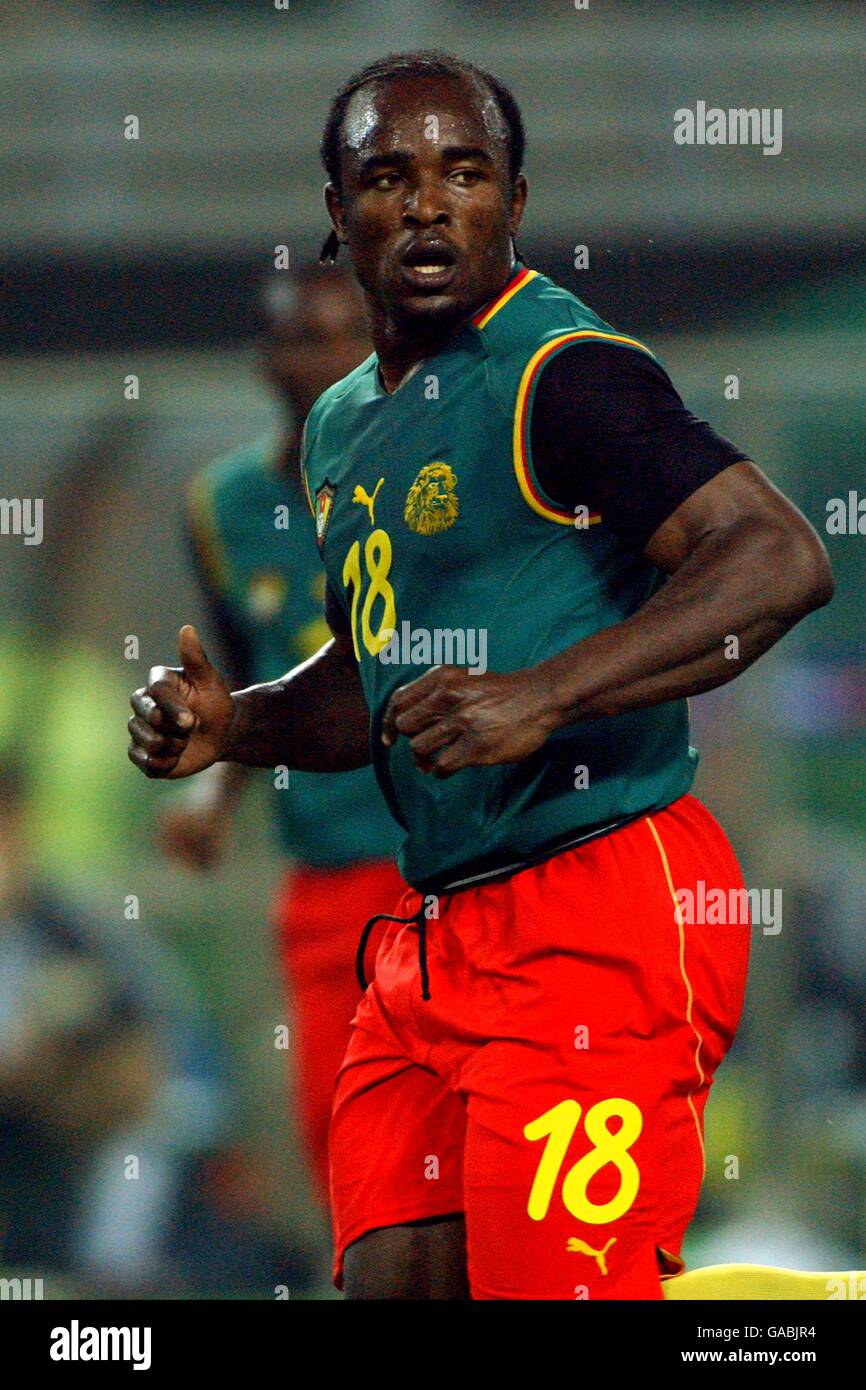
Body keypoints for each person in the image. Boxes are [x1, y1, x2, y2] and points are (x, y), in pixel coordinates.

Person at [128, 50, 834, 1300]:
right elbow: (375, 684)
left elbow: (775, 558)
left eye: (465, 172)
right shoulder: (348, 423)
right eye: (388, 175)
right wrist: (237, 724)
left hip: (598, 906)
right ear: (337, 213)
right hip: (436, 936)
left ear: (513, 200)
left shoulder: (563, 374)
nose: (428, 203)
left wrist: (547, 691)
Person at [160, 264, 405, 1205]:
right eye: (301, 339)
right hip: (328, 875)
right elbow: (239, 678)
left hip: (449, 861)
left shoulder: (427, 480)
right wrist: (210, 792)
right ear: (266, 361)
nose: (326, 359)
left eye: (348, 334)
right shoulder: (222, 507)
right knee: (350, 1153)